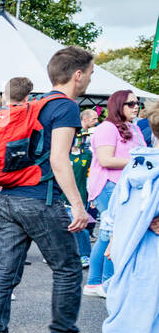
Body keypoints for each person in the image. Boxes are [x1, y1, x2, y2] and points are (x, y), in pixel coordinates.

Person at [0, 47, 97, 333]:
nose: (89, 78)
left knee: (6, 269)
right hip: (40, 199)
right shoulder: (66, 108)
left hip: (10, 197)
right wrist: (78, 205)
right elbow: (60, 160)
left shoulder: (36, 104)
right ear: (78, 74)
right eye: (90, 72)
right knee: (69, 268)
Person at [85, 148, 159, 333]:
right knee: (133, 315)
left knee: (135, 311)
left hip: (134, 249)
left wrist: (116, 239)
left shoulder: (137, 163)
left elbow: (115, 209)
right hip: (147, 249)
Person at [83, 90, 142, 297]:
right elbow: (106, 160)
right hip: (108, 186)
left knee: (109, 235)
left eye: (138, 103)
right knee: (112, 235)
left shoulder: (133, 128)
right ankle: (105, 283)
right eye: (131, 103)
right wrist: (142, 161)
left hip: (124, 188)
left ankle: (96, 283)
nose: (136, 106)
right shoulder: (107, 128)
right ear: (118, 105)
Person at [71, 106, 97, 268]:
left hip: (83, 191)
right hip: (66, 194)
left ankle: (85, 255)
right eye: (94, 118)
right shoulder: (73, 136)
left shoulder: (89, 152)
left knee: (81, 225)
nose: (96, 121)